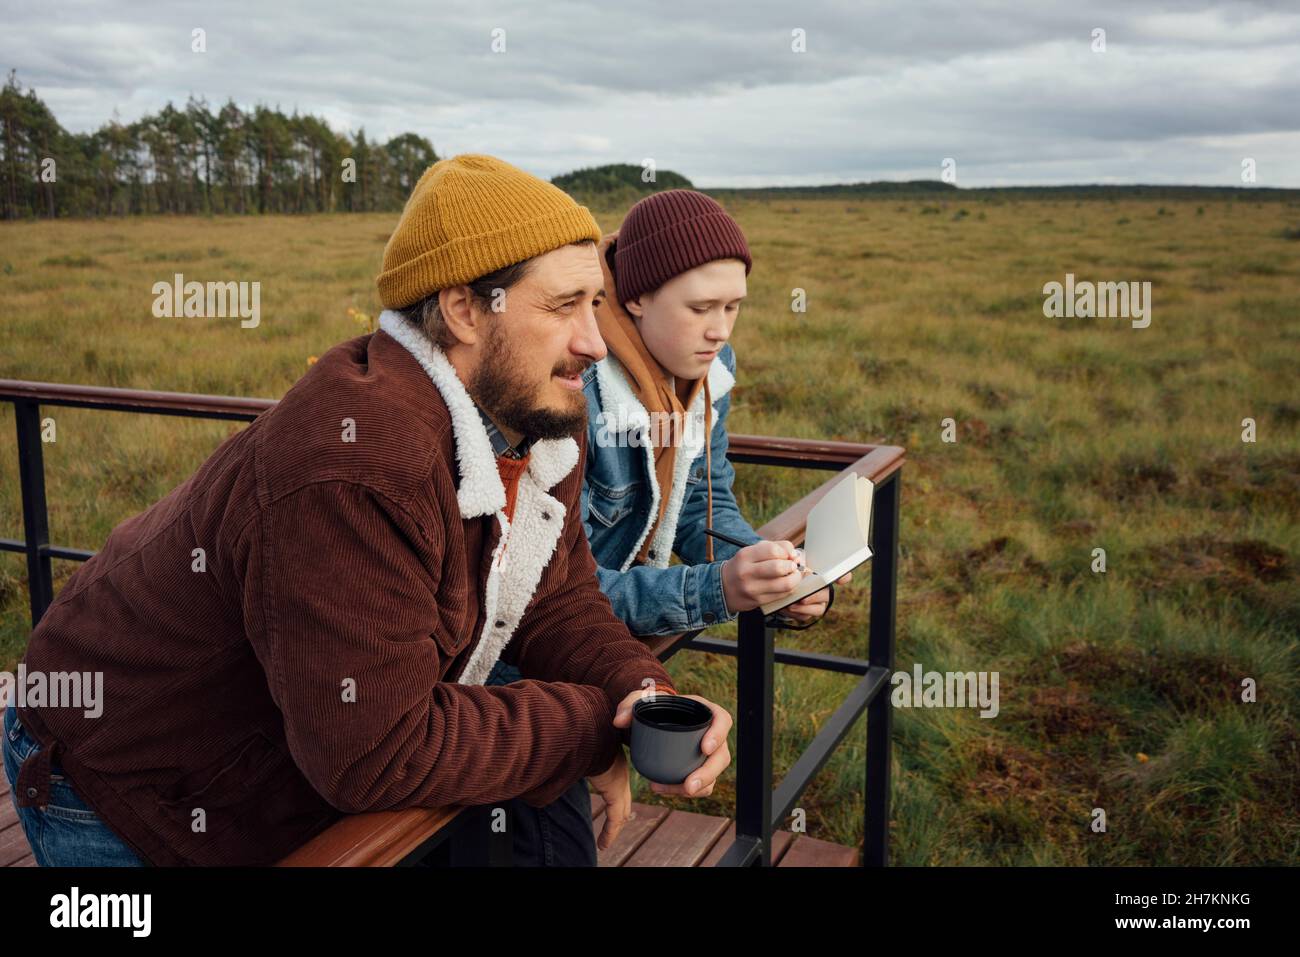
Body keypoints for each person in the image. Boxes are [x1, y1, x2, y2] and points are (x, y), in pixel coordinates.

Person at [4, 154, 732, 867]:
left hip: (273, 757)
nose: (595, 344)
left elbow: (558, 597)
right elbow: (374, 748)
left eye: (595, 302)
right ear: (463, 310)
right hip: (120, 777)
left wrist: (639, 696)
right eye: (564, 305)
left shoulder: (532, 423)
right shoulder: (354, 464)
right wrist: (587, 733)